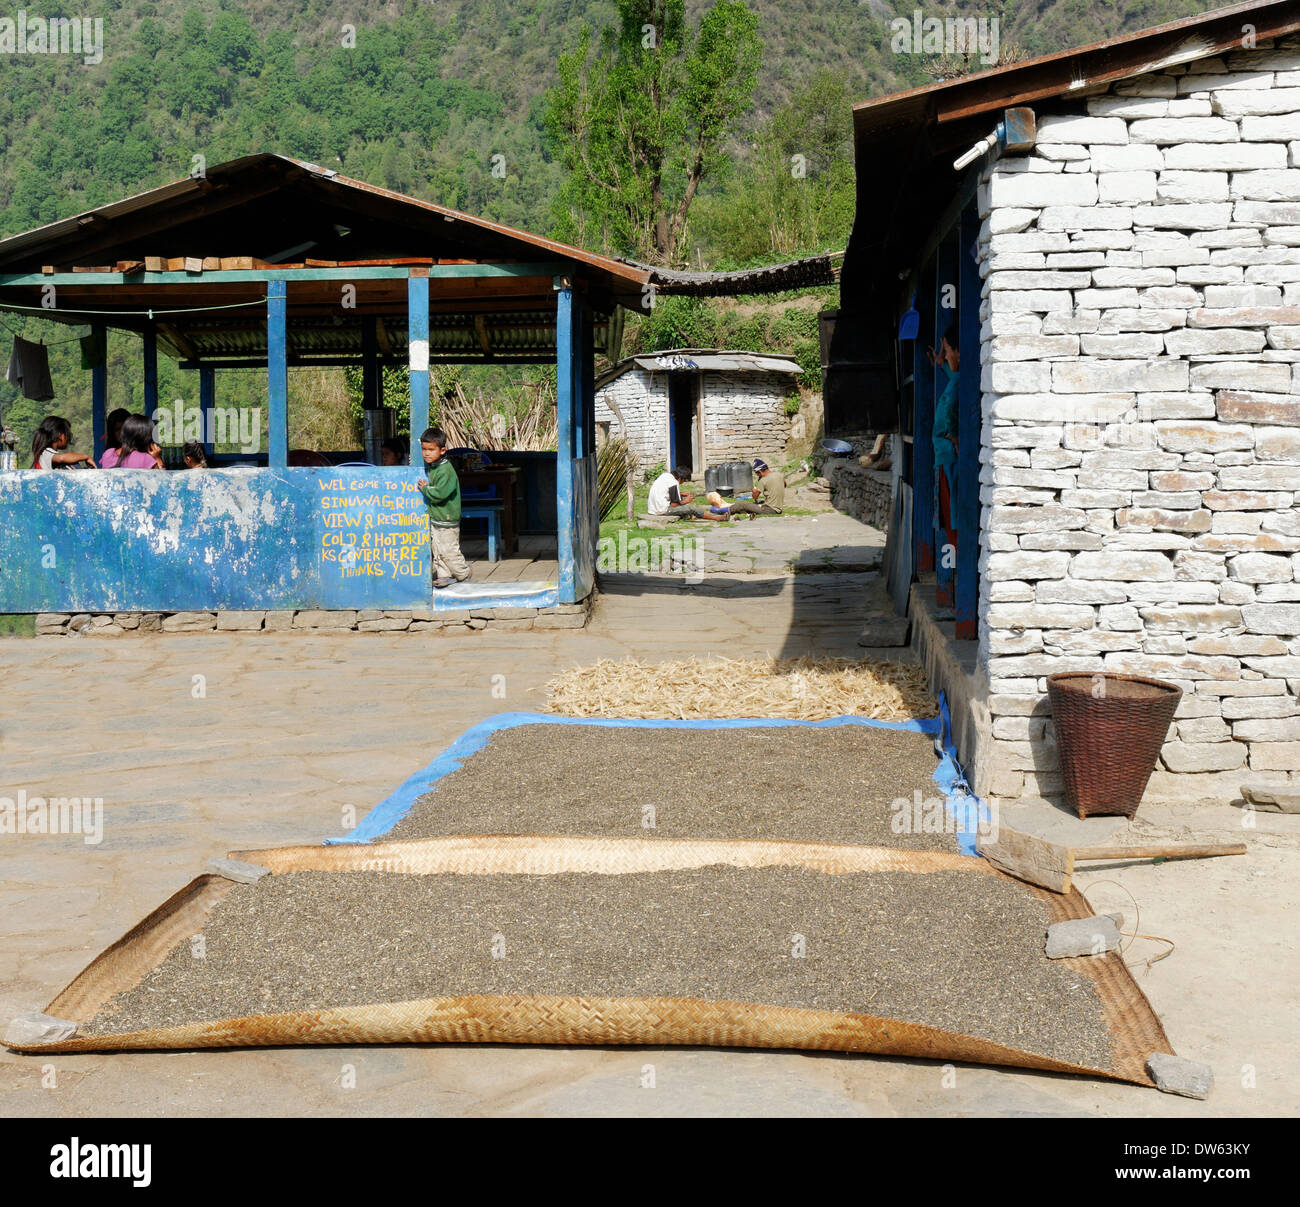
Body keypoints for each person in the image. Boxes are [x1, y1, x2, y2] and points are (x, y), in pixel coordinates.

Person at [926, 322, 960, 608]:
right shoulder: (956, 378)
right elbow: (954, 377)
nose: (946, 355)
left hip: (950, 461)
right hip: (943, 458)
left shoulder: (963, 383)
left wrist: (954, 434)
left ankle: (952, 589)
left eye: (948, 351)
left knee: (953, 523)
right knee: (948, 522)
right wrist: (942, 365)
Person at [419, 426, 471, 588]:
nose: (426, 453)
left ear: (442, 450)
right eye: (424, 449)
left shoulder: (445, 470)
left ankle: (464, 572)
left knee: (449, 550)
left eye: (431, 449)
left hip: (447, 519)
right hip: (438, 518)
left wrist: (425, 489)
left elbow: (440, 493)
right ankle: (445, 575)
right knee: (438, 550)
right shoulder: (435, 467)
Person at [647, 465, 729, 521]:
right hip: (661, 510)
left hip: (653, 509)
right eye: (684, 481)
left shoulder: (665, 476)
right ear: (680, 478)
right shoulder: (674, 483)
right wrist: (685, 501)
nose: (682, 483)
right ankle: (716, 518)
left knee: (684, 505)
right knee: (691, 508)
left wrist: (681, 494)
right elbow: (674, 505)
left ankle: (690, 516)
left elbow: (665, 492)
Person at [30, 416, 95, 470]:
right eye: (67, 434)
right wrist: (86, 457)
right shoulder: (45, 453)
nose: (69, 438)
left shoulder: (47, 454)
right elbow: (61, 458)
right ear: (60, 435)